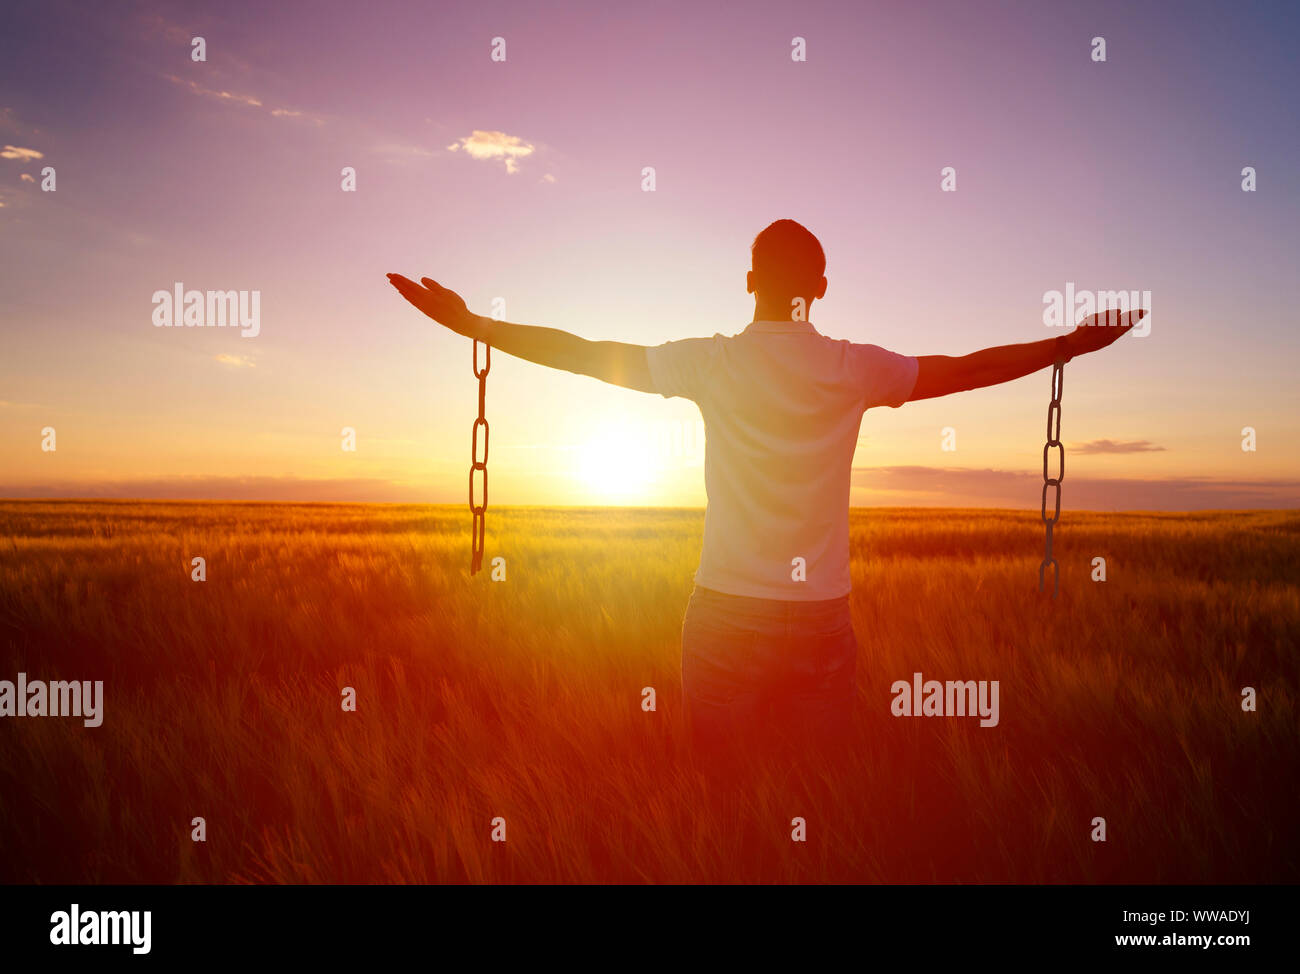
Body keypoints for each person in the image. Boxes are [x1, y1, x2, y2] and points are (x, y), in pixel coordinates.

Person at [388, 218, 1142, 758]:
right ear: (817, 288)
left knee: (718, 797)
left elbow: (586, 355)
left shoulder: (709, 363)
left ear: (749, 282)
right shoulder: (856, 367)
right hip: (821, 620)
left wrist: (475, 326)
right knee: (818, 794)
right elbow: (968, 367)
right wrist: (1068, 344)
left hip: (724, 615)